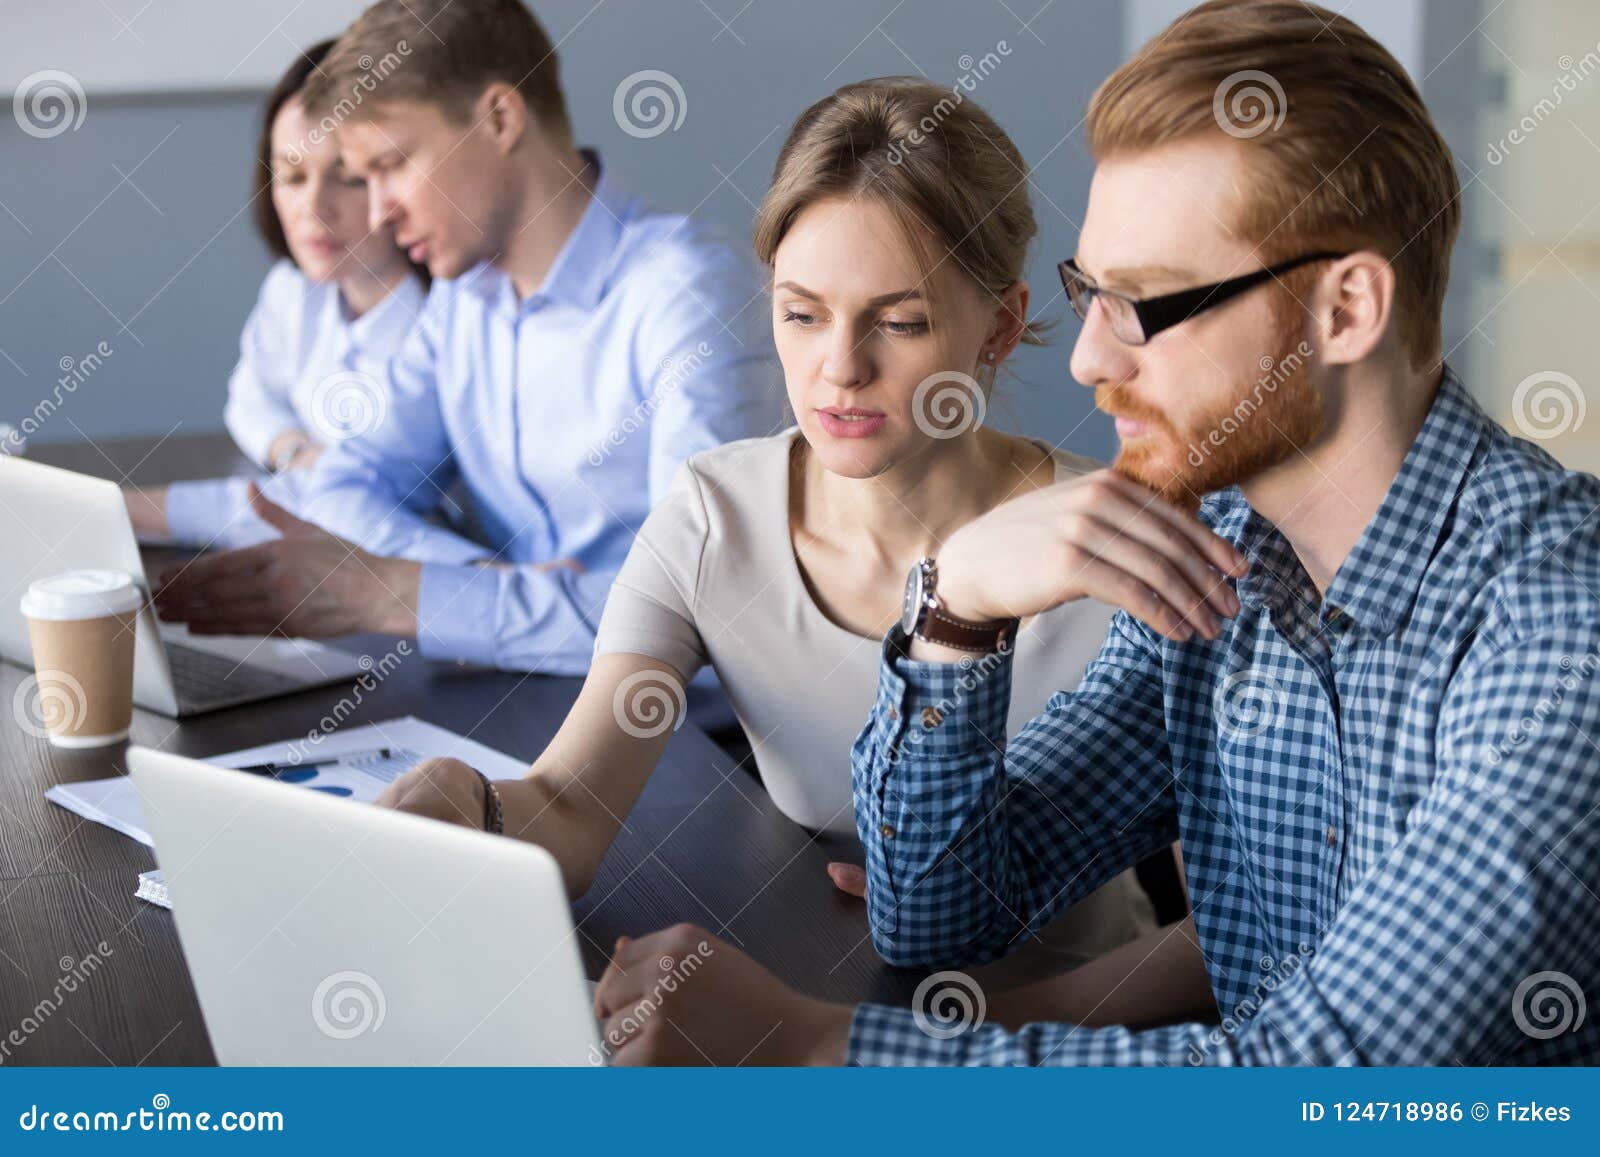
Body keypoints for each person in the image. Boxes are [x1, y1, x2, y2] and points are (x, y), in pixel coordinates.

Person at [577, 0, 1600, 1065]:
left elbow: (1312, 1088)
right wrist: (955, 610)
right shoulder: (1220, 553)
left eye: (1147, 305)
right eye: (1089, 294)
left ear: (1344, 311)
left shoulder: (1558, 627)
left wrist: (813, 1047)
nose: (1086, 362)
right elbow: (940, 914)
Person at [375, 77, 1172, 969]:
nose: (839, 370)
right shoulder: (717, 518)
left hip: (1074, 1034)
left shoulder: (1114, 546)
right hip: (847, 987)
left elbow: (1227, 924)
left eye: (900, 322)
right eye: (801, 314)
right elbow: (567, 803)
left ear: (999, 325)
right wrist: (469, 805)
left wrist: (969, 964)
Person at [152, 0, 780, 675]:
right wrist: (477, 581)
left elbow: (691, 612)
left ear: (500, 118)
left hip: (685, 735)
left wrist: (397, 591)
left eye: (392, 164)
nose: (378, 210)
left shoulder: (689, 294)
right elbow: (344, 482)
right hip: (518, 685)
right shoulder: (462, 301)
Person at [124, 40, 425, 550]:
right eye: (291, 176)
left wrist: (126, 512)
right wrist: (295, 452)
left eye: (348, 179)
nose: (314, 207)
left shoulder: (445, 322)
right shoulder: (294, 289)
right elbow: (250, 400)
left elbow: (354, 506)